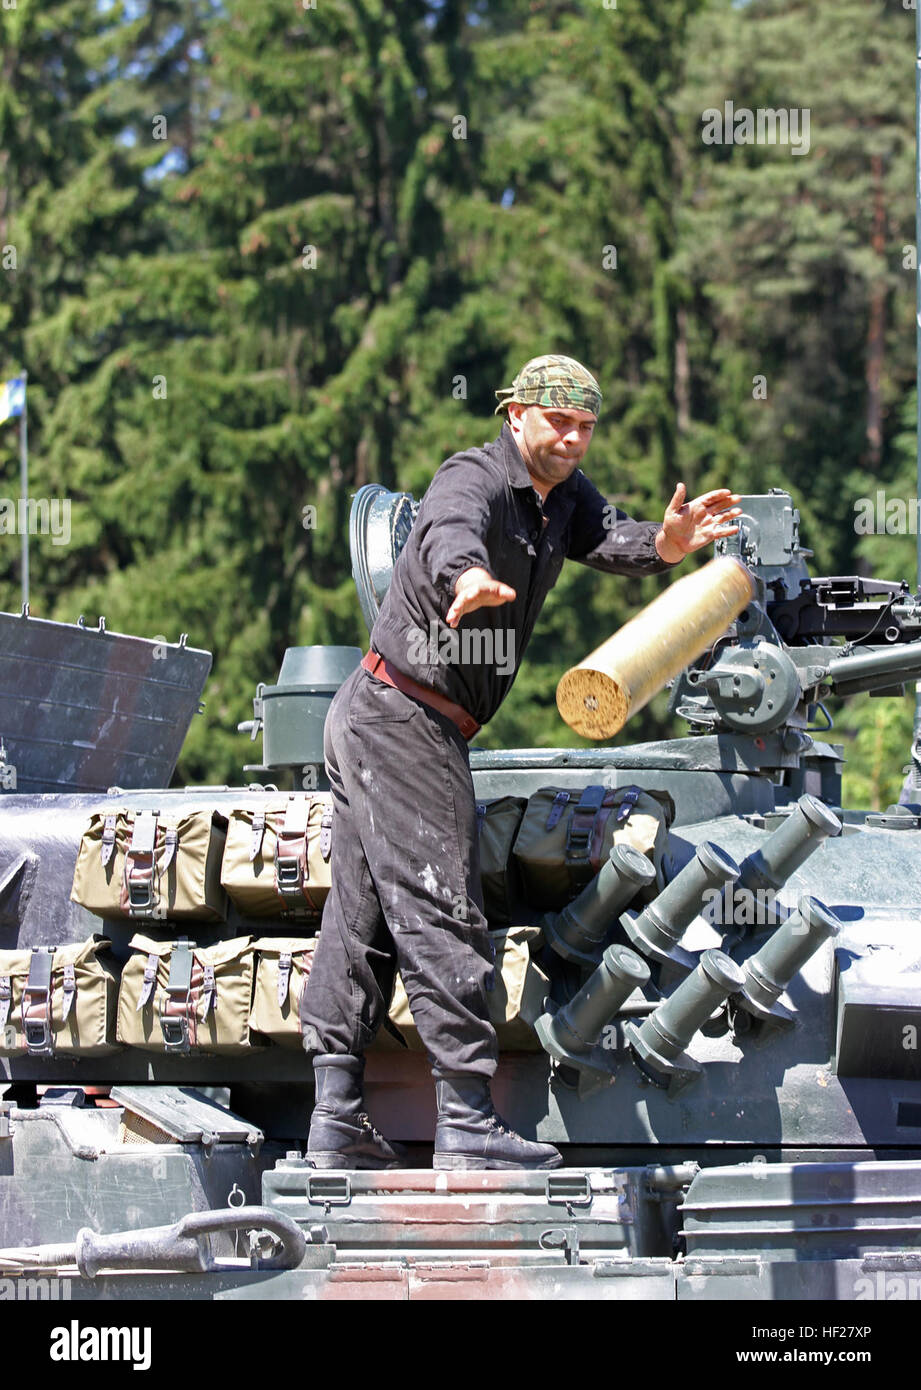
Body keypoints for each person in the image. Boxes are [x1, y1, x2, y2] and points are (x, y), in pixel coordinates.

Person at [300, 354, 741, 1170]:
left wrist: (667, 543)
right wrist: (466, 577)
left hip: (386, 718)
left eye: (584, 427)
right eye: (557, 422)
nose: (572, 439)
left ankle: (334, 1119)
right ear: (515, 416)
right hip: (403, 716)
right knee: (443, 910)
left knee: (357, 920)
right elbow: (447, 533)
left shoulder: (563, 497)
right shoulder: (471, 478)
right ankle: (467, 1122)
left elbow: (610, 538)